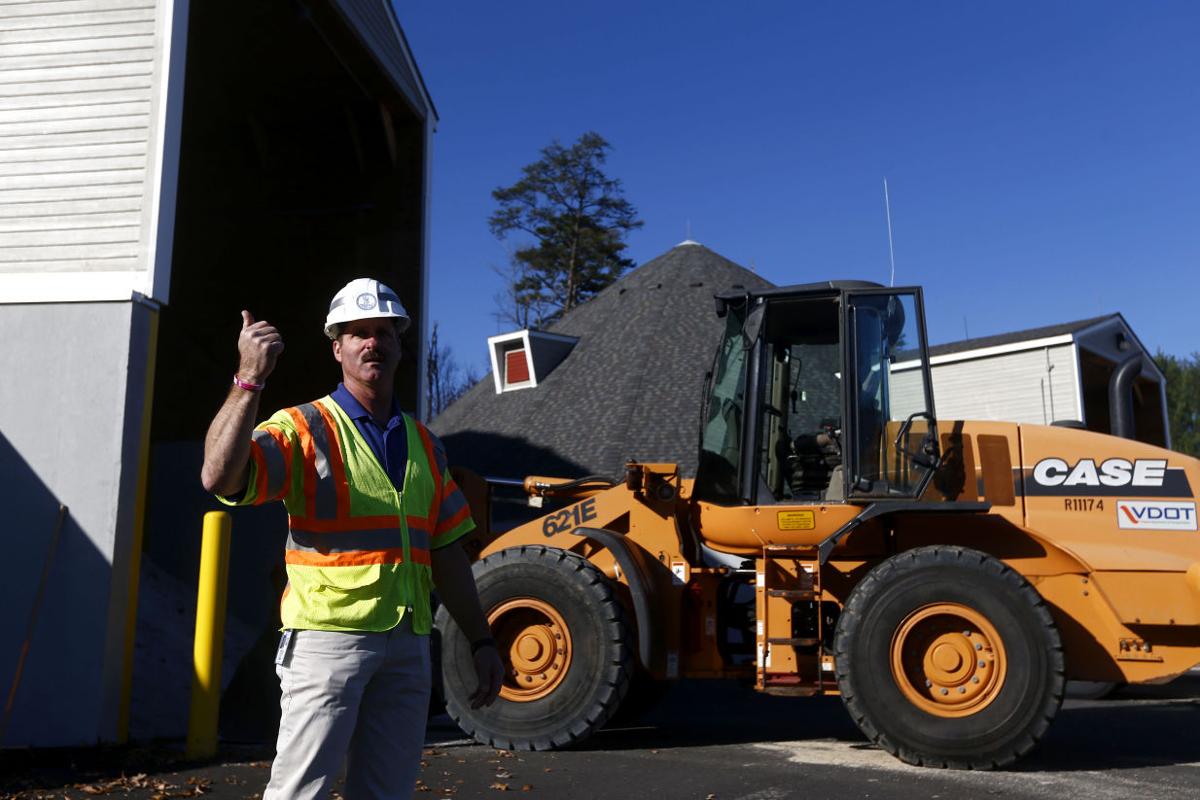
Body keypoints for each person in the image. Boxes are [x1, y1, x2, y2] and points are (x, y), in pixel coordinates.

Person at [200, 278, 504, 799]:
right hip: (327, 644)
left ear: (399, 345)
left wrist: (480, 640)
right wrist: (249, 378)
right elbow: (220, 477)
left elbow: (446, 551)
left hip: (407, 646)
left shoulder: (425, 445)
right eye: (358, 333)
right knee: (301, 792)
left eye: (384, 332)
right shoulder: (304, 427)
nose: (372, 343)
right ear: (336, 347)